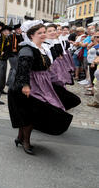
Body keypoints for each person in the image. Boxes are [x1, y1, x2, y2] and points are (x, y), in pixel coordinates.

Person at [7, 21, 73, 155]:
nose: (43, 35)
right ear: (31, 35)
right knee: (29, 115)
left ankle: (20, 138)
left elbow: (48, 65)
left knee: (29, 114)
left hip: (41, 84)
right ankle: (25, 141)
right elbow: (23, 69)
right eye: (40, 33)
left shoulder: (43, 48)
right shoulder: (27, 49)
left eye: (44, 32)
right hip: (29, 86)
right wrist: (25, 85)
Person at [5, 24, 24, 89]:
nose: (19, 30)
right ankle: (12, 83)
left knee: (12, 69)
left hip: (19, 54)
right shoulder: (11, 36)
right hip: (12, 55)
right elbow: (8, 45)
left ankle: (8, 82)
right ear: (15, 30)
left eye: (20, 29)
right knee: (15, 69)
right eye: (18, 29)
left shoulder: (22, 36)